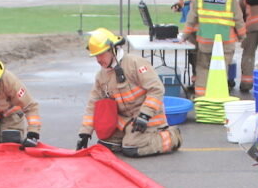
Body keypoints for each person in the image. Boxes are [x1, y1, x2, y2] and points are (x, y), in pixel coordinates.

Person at [76, 28, 181, 158]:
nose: (98, 60)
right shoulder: (102, 76)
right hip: (125, 123)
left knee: (131, 148)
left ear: (112, 50)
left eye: (101, 54)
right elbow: (93, 105)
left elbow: (156, 89)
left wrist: (145, 115)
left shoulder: (134, 63)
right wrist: (85, 133)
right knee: (104, 145)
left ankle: (172, 137)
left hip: (148, 120)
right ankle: (129, 138)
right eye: (95, 56)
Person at [181, 0, 246, 97]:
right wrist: (242, 36)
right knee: (221, 71)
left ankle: (201, 99)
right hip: (226, 41)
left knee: (203, 69)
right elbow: (238, 19)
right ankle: (218, 98)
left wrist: (184, 35)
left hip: (206, 41)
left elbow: (191, 17)